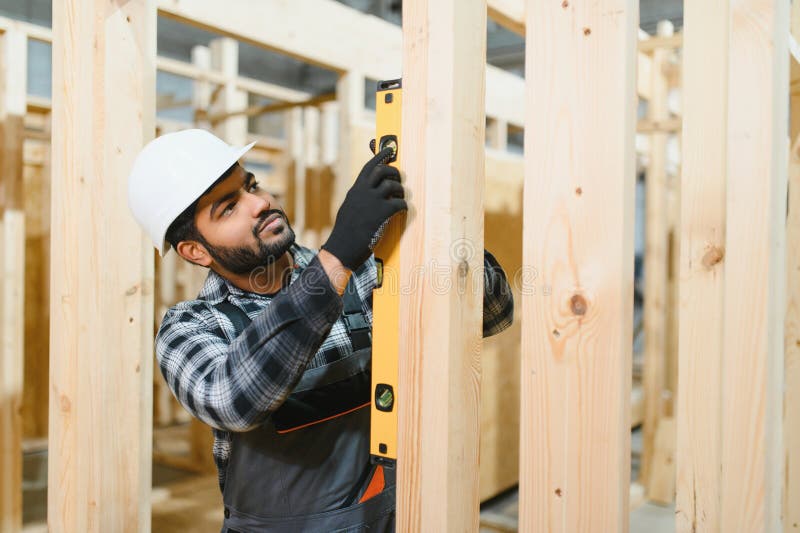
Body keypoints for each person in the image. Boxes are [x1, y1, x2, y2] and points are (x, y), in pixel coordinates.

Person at [127, 129, 514, 532]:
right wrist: (339, 256)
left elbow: (495, 312)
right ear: (195, 251)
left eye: (251, 186)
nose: (260, 203)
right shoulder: (191, 327)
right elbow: (232, 401)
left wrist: (436, 214)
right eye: (228, 208)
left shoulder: (365, 277)